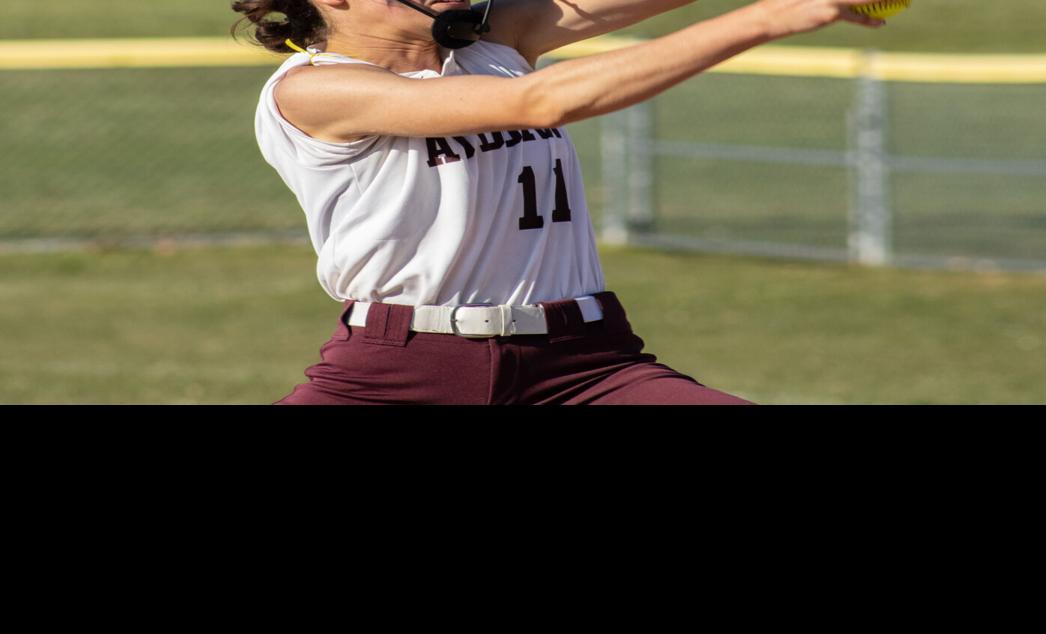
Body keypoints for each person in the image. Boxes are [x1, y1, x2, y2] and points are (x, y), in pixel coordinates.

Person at [233, 0, 885, 405]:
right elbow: (540, 103)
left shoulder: (498, 39)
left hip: (586, 366)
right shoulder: (314, 91)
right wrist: (776, 14)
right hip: (400, 374)